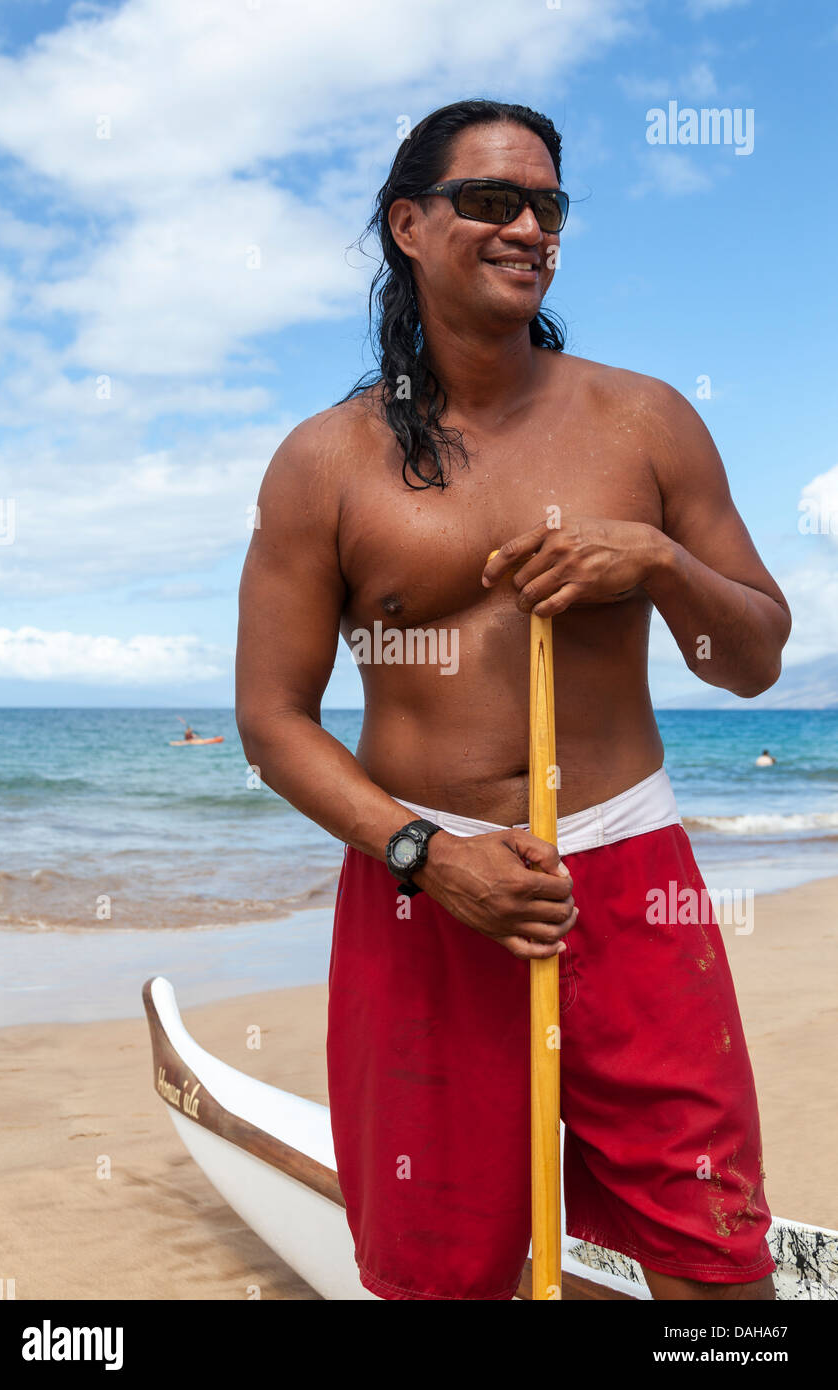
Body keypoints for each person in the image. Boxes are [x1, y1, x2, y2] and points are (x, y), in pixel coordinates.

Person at [235, 99, 791, 1302]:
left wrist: (654, 561)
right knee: (441, 1274)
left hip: (624, 869)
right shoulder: (326, 460)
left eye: (546, 205)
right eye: (490, 200)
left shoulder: (642, 419)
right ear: (407, 225)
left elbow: (750, 657)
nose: (526, 225)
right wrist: (429, 854)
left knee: (713, 1261)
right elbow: (273, 722)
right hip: (423, 893)